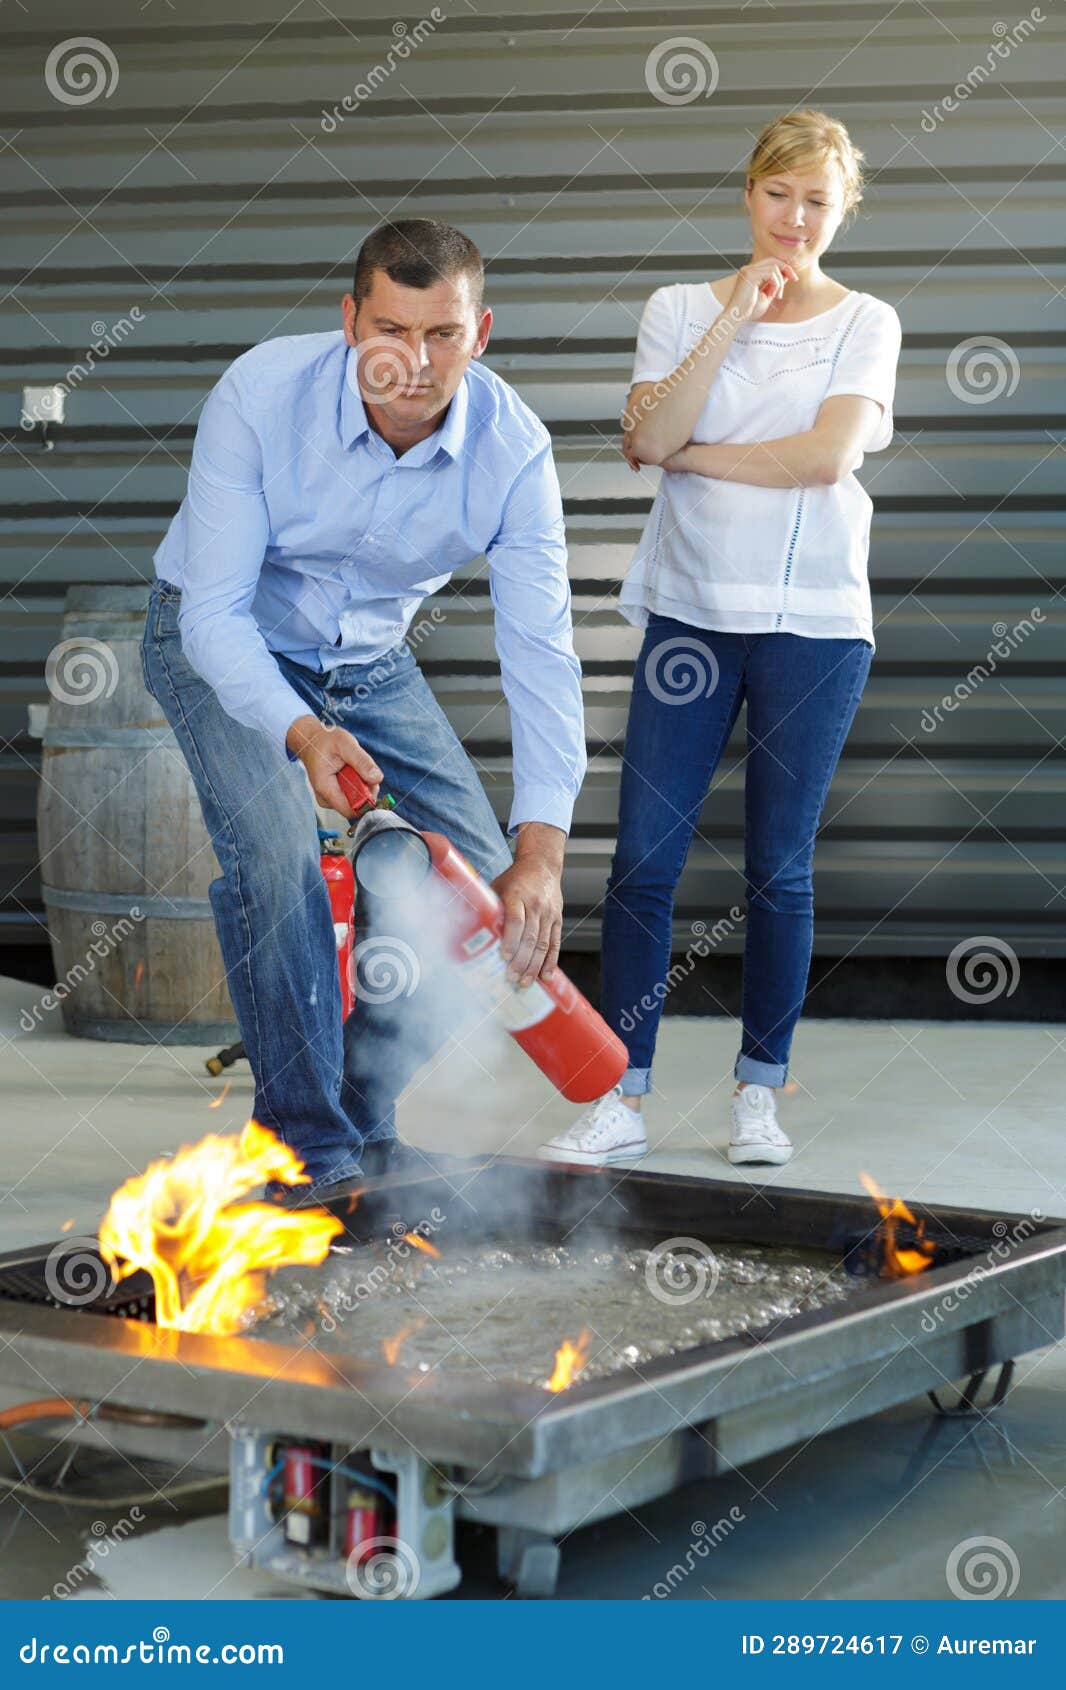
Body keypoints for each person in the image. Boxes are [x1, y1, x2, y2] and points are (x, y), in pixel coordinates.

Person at [141, 218, 585, 1198]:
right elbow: (213, 615)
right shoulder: (261, 394)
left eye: (442, 335)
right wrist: (299, 732)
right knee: (274, 852)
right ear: (349, 321)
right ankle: (306, 1144)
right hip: (222, 641)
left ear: (482, 333)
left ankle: (356, 1114)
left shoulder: (512, 453)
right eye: (390, 329)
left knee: (474, 893)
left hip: (367, 663)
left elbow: (542, 658)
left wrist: (542, 855)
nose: (412, 364)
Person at [538, 109, 902, 1170]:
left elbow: (825, 459)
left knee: (777, 869)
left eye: (816, 202)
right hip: (691, 613)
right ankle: (621, 1093)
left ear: (842, 213)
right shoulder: (679, 306)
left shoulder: (866, 320)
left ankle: (757, 1093)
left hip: (812, 626)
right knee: (643, 862)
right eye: (777, 195)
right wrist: (735, 314)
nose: (794, 219)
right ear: (749, 195)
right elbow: (648, 433)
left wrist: (695, 459)